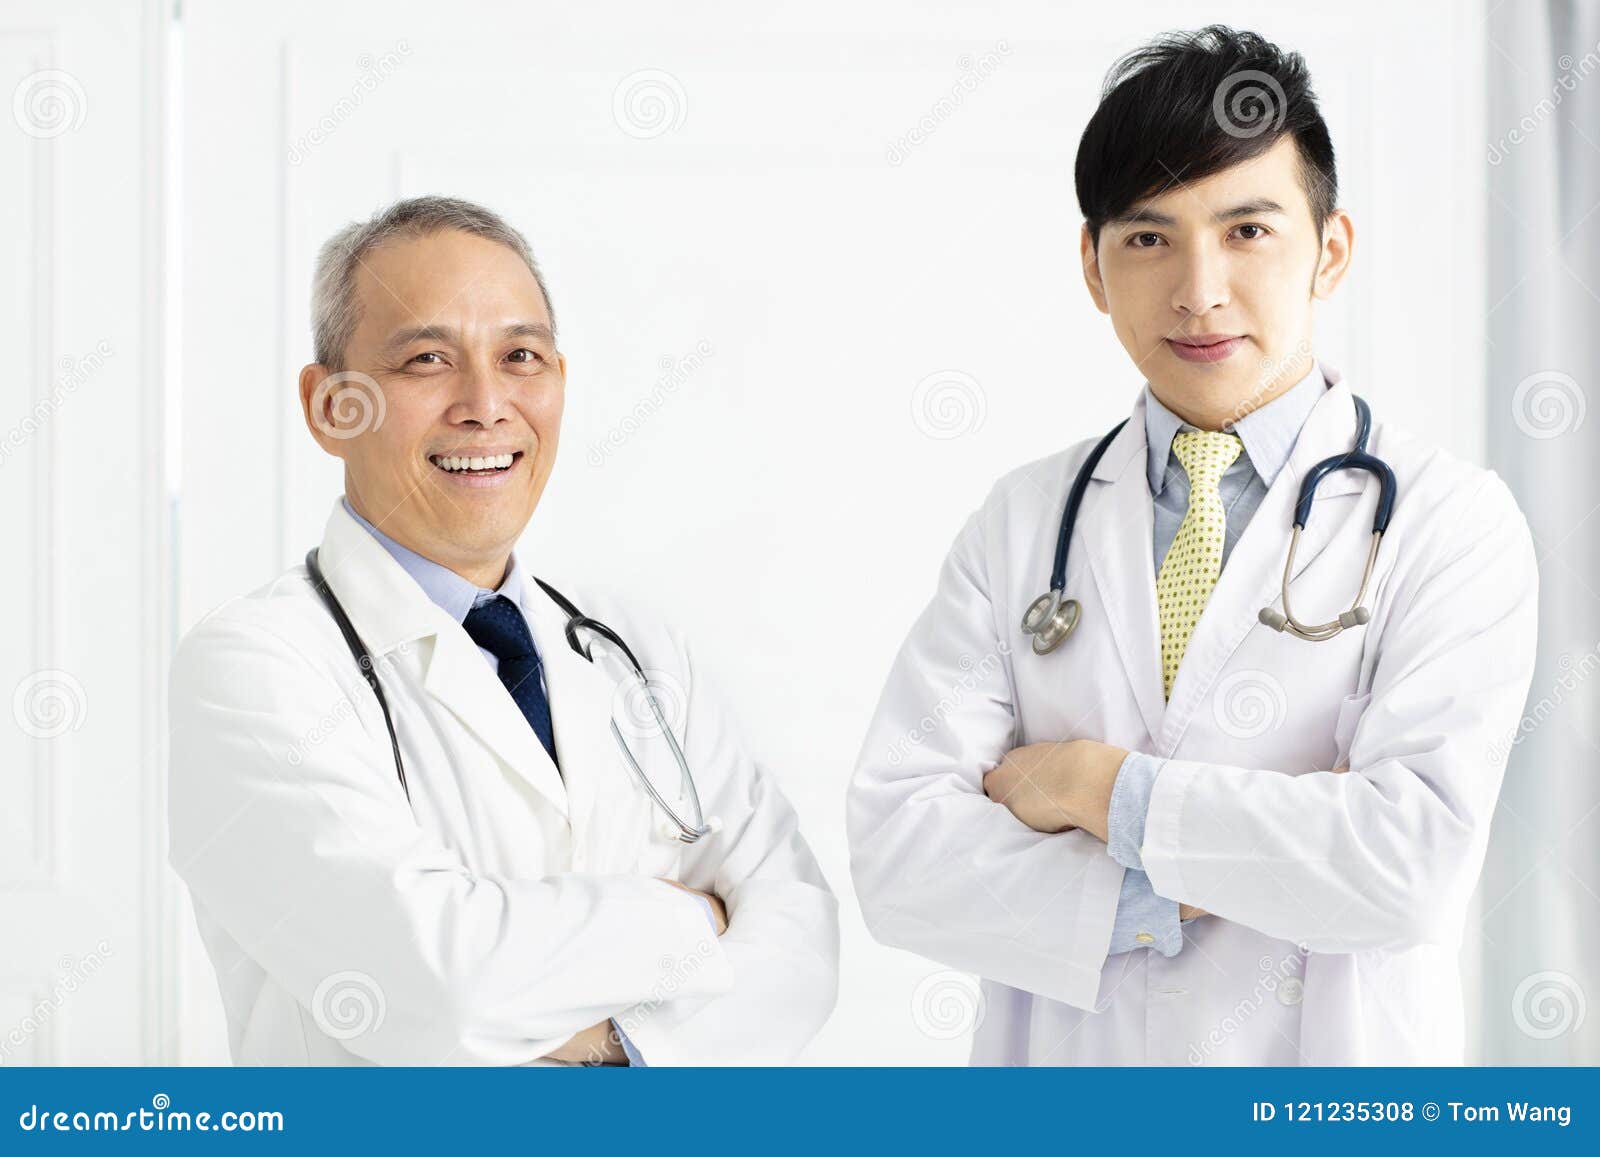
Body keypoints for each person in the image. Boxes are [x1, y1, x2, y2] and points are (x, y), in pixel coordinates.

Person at [847, 26, 1538, 1064]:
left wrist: (1092, 789)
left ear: (1330, 250)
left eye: (1247, 230)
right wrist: (1169, 889)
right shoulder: (1023, 522)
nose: (1198, 288)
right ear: (1092, 266)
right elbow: (899, 854)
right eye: (1148, 238)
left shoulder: (1450, 522)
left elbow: (1408, 863)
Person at [169, 195, 838, 1065]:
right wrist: (692, 917)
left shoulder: (631, 648)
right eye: (426, 360)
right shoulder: (255, 668)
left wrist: (609, 1039)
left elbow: (802, 951)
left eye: (520, 356)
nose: (487, 404)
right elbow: (436, 987)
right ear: (330, 403)